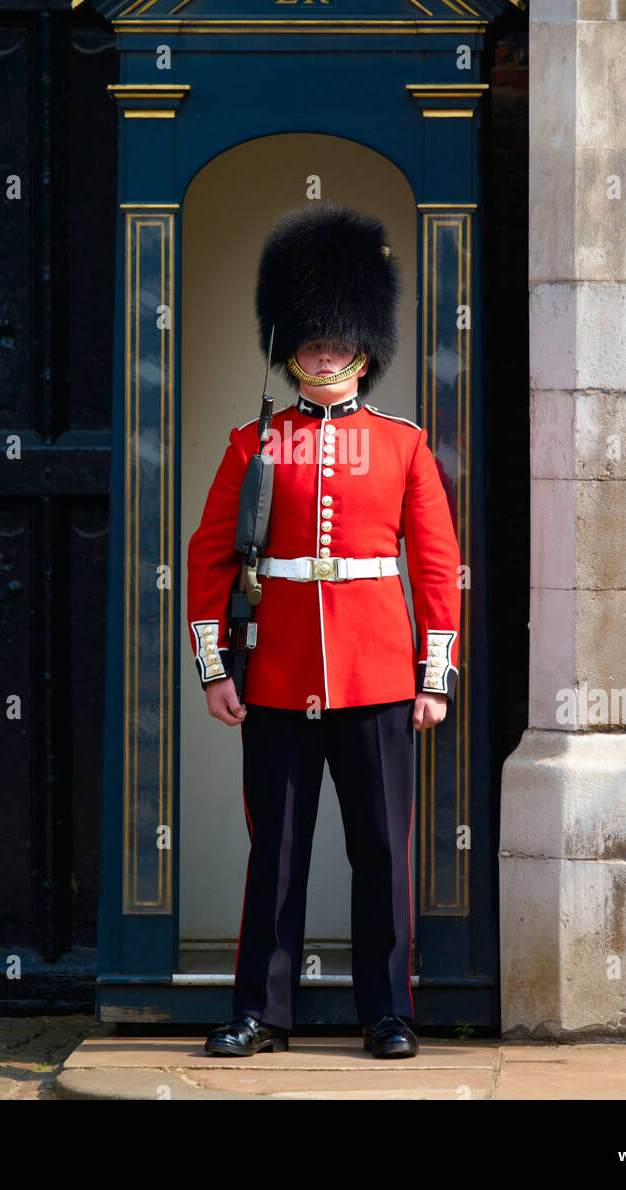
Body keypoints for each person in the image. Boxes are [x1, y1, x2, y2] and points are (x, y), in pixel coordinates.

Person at [186, 201, 462, 1059]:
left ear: (364, 348)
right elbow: (208, 563)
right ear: (292, 346)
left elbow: (434, 568)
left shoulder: (402, 447)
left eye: (337, 340)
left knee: (381, 851)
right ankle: (261, 1012)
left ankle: (386, 1012)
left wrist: (434, 675)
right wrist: (214, 667)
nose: (323, 352)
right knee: (276, 853)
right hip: (273, 676)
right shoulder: (251, 444)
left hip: (378, 677)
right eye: (310, 340)